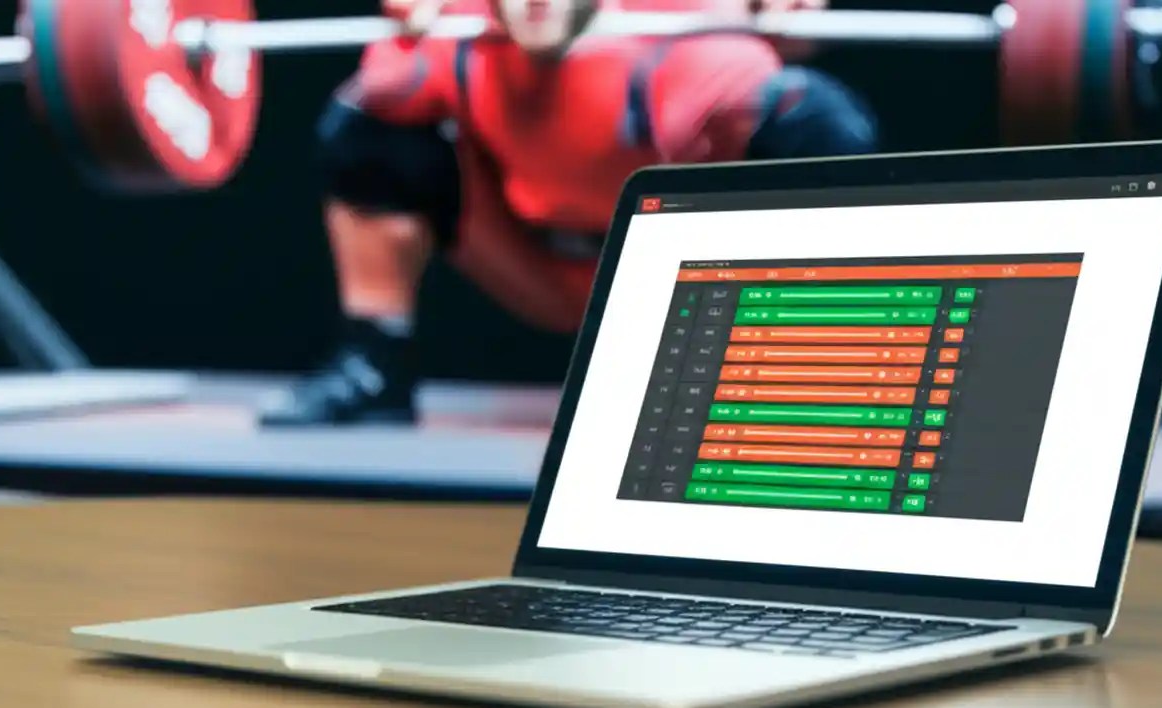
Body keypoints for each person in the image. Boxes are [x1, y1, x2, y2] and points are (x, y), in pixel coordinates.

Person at [259, 0, 877, 426]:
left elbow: (787, 113)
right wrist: (401, 32)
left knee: (807, 121)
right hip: (531, 265)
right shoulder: (454, 35)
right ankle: (375, 363)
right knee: (367, 129)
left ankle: (810, 369)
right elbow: (370, 119)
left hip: (660, 291)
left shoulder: (675, 44)